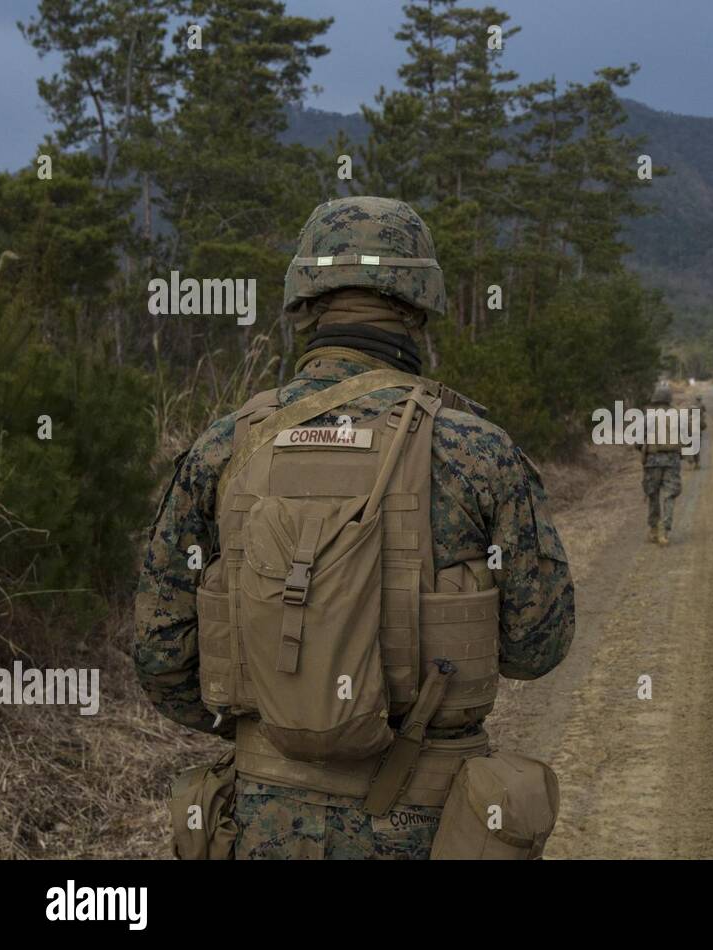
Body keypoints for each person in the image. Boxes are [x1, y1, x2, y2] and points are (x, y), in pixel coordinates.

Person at [134, 196, 575, 858]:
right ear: (419, 307)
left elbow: (161, 657)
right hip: (427, 824)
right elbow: (538, 646)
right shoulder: (474, 449)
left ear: (304, 306)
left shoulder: (225, 448)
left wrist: (286, 719)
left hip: (264, 826)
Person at [639, 384, 683, 545]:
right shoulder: (678, 415)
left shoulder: (647, 417)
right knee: (669, 496)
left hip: (652, 462)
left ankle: (653, 530)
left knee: (653, 496)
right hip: (672, 462)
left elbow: (638, 440)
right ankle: (665, 531)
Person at [687, 394, 707, 469]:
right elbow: (704, 426)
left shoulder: (687, 418)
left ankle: (690, 463)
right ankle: (697, 464)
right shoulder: (698, 417)